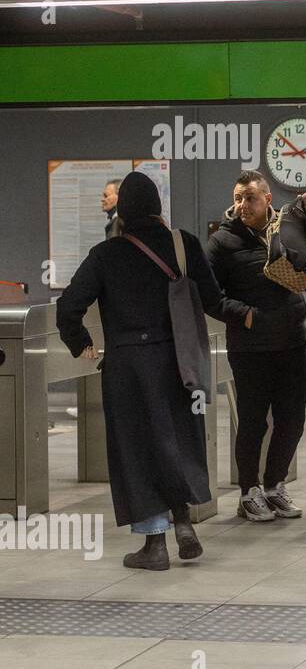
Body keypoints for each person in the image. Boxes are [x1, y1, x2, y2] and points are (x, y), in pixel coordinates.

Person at [56, 173, 229, 570]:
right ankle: (183, 520)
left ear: (122, 209)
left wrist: (80, 341)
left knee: (136, 448)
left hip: (128, 365)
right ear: (158, 206)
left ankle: (155, 544)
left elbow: (70, 306)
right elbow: (214, 299)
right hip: (178, 361)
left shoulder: (107, 254)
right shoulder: (182, 243)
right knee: (179, 439)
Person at [204, 170, 306, 522]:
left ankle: (274, 485)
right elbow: (208, 296)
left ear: (267, 199)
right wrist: (245, 315)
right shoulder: (222, 241)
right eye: (238, 197)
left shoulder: (287, 229)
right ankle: (248, 491)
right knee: (252, 422)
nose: (242, 204)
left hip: (291, 342)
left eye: (250, 197)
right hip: (249, 347)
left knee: (292, 419)